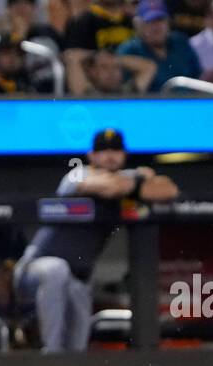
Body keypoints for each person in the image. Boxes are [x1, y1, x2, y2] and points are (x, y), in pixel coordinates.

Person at [14, 128, 179, 352]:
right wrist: (139, 183)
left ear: (124, 155)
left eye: (115, 150)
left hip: (78, 277)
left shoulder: (125, 179)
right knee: (57, 269)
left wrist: (136, 182)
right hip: (33, 270)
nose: (110, 156)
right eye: (103, 151)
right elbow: (108, 187)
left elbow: (169, 189)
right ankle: (50, 355)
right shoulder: (76, 173)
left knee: (77, 345)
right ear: (91, 156)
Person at [115, 0, 201, 90]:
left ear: (168, 22)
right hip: (150, 103)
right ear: (138, 25)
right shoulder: (129, 50)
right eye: (149, 22)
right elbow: (124, 94)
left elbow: (198, 77)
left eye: (160, 20)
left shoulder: (180, 42)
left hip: (190, 102)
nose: (156, 27)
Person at [63, 0, 135, 92]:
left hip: (124, 82)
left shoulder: (129, 21)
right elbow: (72, 56)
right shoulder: (82, 21)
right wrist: (99, 57)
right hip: (92, 87)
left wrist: (115, 61)